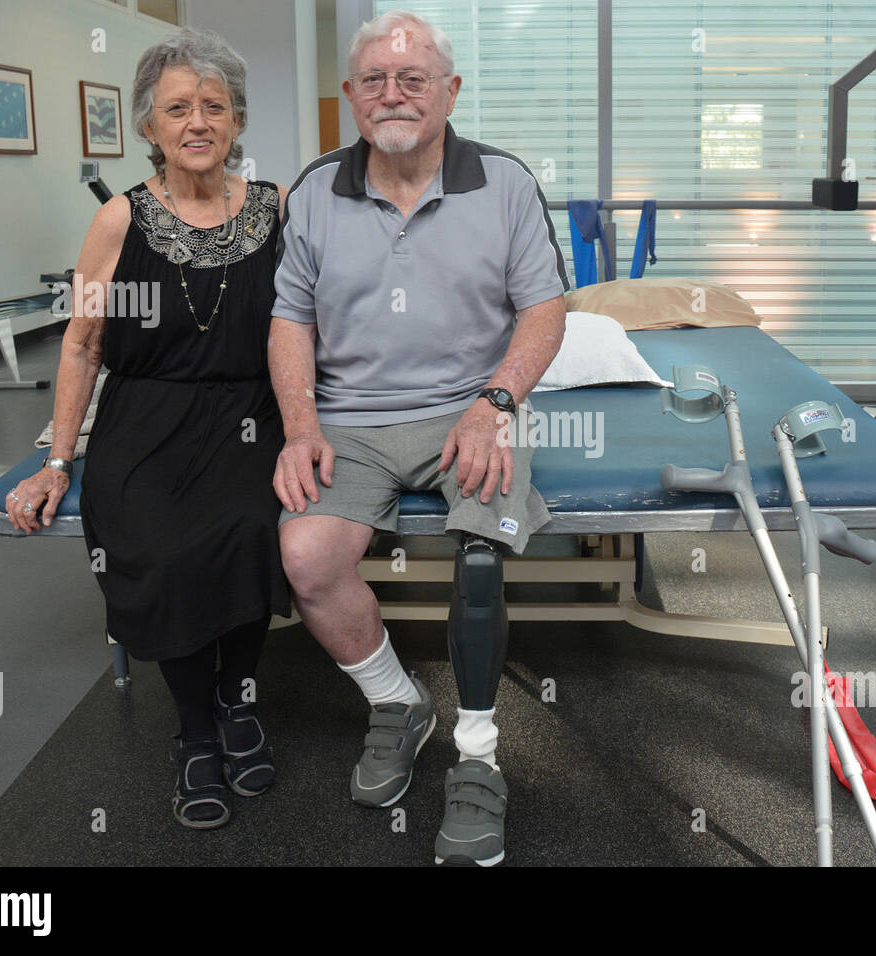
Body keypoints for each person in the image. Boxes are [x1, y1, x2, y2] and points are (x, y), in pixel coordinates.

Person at [269, 9, 568, 865]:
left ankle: (478, 756)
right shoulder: (318, 189)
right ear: (350, 95)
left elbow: (544, 308)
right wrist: (298, 427)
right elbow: (290, 317)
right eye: (375, 80)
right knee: (308, 561)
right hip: (351, 417)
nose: (392, 94)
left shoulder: (503, 182)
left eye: (412, 79)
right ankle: (397, 702)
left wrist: (496, 402)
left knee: (477, 556)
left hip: (468, 404)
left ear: (449, 92)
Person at [5, 28, 291, 830]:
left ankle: (240, 707)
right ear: (148, 125)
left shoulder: (277, 208)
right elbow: (84, 343)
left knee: (249, 530)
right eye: (177, 108)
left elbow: (308, 321)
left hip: (249, 413)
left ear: (236, 121)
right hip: (146, 415)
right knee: (162, 548)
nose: (196, 122)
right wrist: (60, 459)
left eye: (214, 105)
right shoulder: (118, 222)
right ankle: (196, 732)